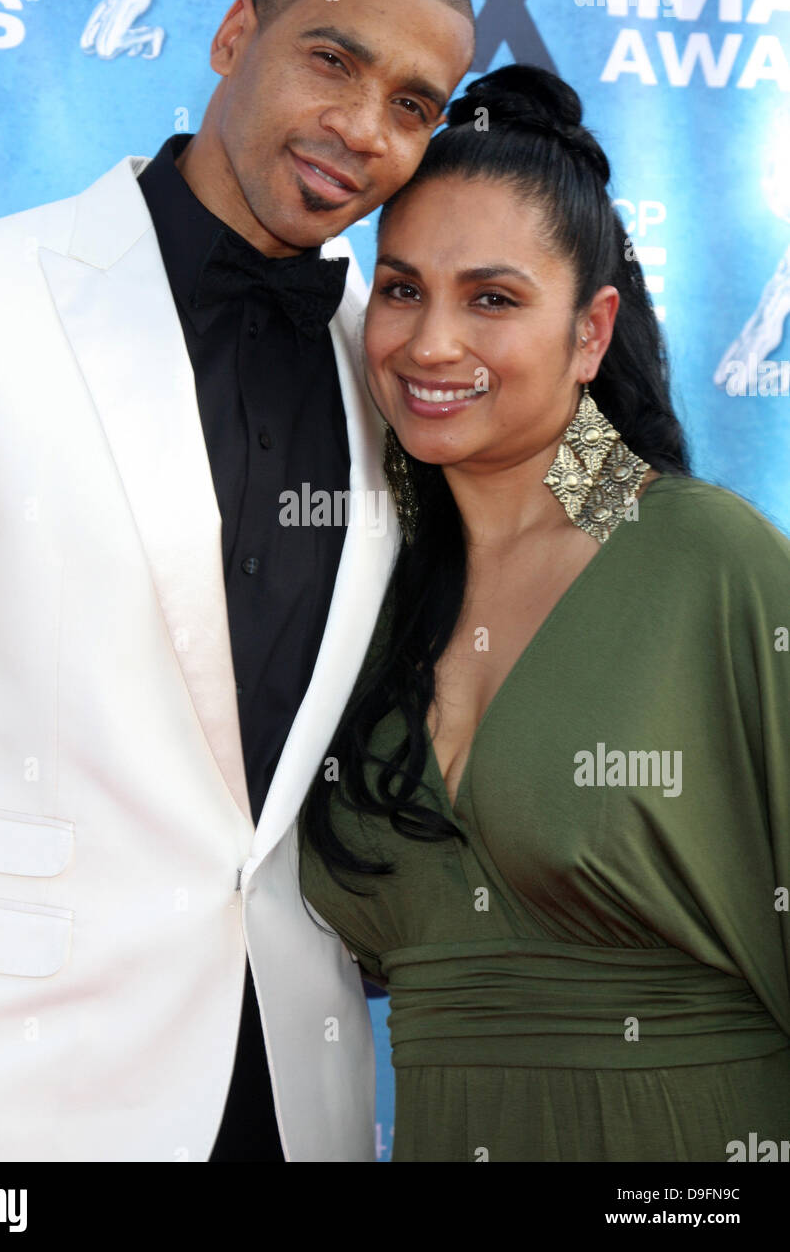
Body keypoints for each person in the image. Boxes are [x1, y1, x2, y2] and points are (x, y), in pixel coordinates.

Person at [0, 0, 474, 1161]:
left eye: (412, 105)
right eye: (330, 60)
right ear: (233, 34)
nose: (364, 130)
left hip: (291, 1086)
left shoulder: (393, 361)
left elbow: (582, 472)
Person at [299, 64, 790, 1162]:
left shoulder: (703, 561)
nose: (429, 344)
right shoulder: (368, 588)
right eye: (400, 287)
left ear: (588, 331)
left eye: (491, 298)